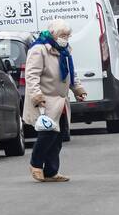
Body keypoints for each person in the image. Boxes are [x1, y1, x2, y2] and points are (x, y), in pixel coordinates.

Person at [24, 19, 87, 182]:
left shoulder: (64, 50)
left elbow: (71, 74)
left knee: (58, 138)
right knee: (47, 135)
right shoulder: (39, 49)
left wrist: (78, 89)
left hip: (61, 101)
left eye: (67, 35)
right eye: (62, 35)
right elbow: (32, 75)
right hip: (46, 100)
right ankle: (36, 164)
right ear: (53, 34)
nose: (65, 38)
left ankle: (51, 171)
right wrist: (37, 96)